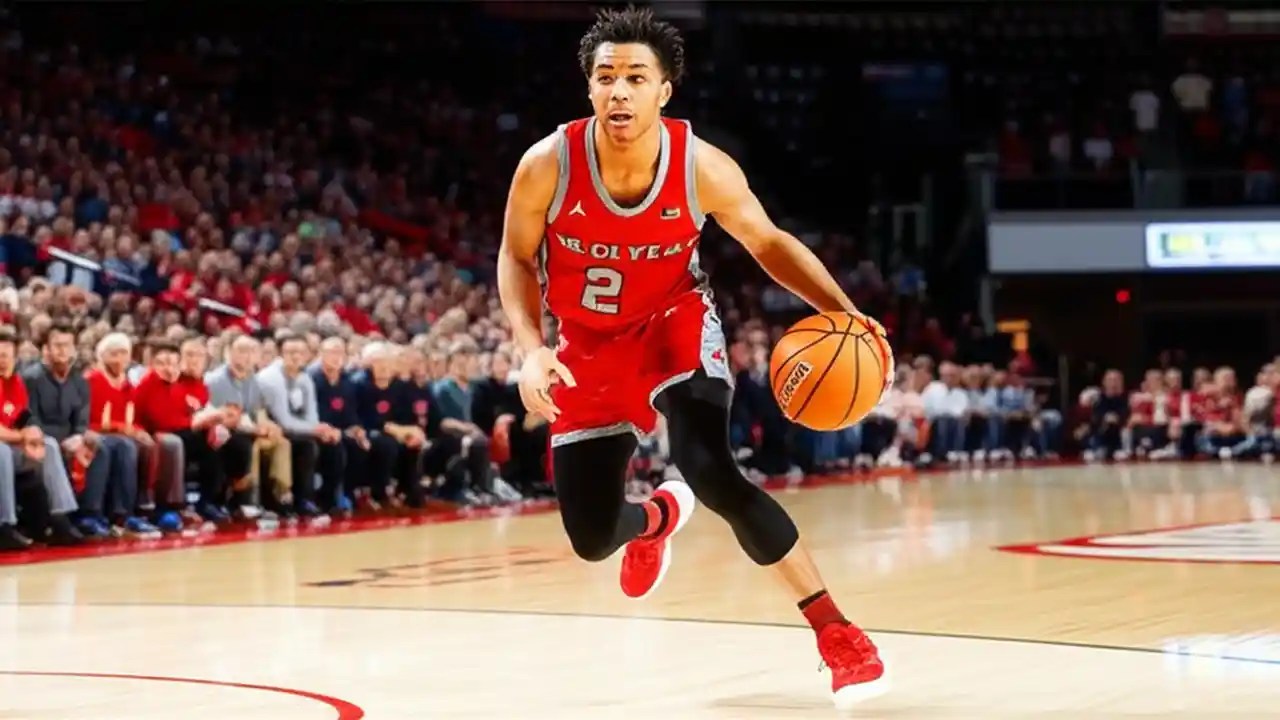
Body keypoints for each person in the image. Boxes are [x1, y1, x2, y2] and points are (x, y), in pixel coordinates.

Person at [496, 7, 891, 707]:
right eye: (606, 77)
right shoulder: (546, 164)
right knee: (592, 538)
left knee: (711, 468)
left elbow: (768, 243)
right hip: (586, 343)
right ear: (589, 88)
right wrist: (530, 350)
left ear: (664, 90)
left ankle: (836, 632)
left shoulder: (701, 166)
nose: (619, 90)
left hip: (672, 323)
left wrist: (843, 310)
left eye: (635, 77)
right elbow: (516, 257)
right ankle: (656, 521)